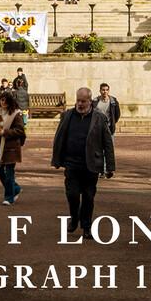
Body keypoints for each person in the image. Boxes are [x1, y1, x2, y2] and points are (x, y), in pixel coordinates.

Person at [51, 86, 115, 241]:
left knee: (88, 197)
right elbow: (59, 138)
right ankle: (74, 217)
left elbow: (107, 143)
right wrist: (56, 159)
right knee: (72, 194)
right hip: (72, 164)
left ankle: (86, 227)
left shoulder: (99, 118)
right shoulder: (67, 115)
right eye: (78, 100)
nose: (80, 104)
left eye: (83, 101)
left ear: (90, 101)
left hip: (91, 165)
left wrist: (110, 166)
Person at [0, 90, 26, 204]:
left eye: (5, 100)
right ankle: (16, 188)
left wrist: (4, 132)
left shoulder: (16, 114)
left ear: (10, 101)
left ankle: (9, 197)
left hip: (11, 146)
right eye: (1, 100)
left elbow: (20, 130)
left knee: (9, 173)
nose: (3, 102)